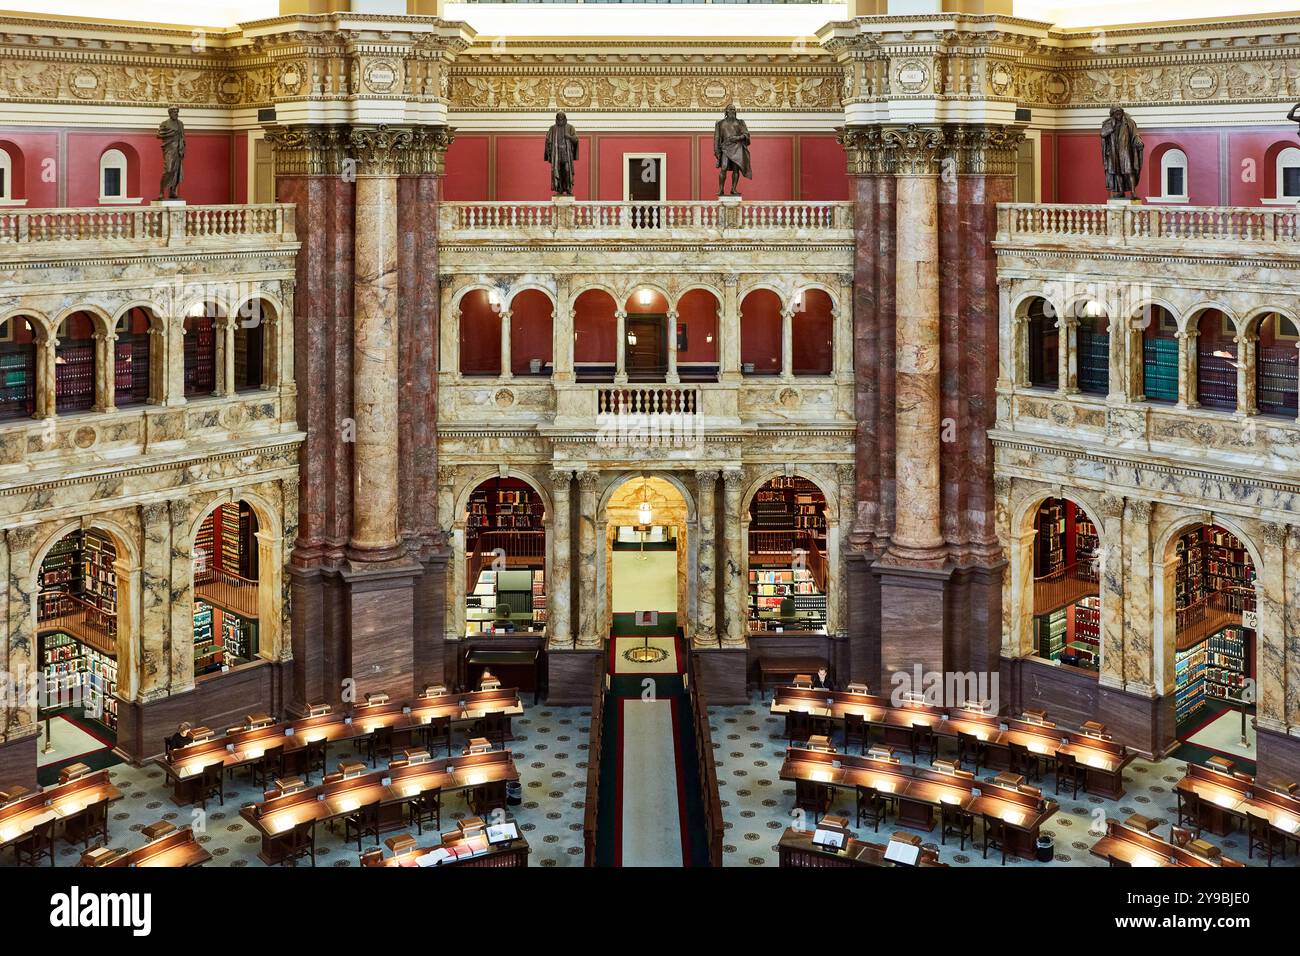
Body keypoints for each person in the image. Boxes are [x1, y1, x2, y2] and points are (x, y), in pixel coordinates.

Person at [714, 104, 752, 196]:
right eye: (730, 109)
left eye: (734, 110)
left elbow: (746, 135)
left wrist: (737, 138)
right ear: (726, 111)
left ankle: (733, 189)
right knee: (723, 168)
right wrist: (716, 150)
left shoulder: (740, 122)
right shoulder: (720, 123)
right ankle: (721, 189)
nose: (732, 111)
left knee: (736, 169)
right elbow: (717, 138)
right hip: (725, 147)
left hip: (737, 147)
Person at [544, 112, 579, 196]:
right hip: (556, 153)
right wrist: (549, 152)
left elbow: (576, 139)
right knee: (558, 171)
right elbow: (548, 140)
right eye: (559, 118)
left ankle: (568, 189)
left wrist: (569, 137)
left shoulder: (570, 127)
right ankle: (559, 189)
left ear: (565, 118)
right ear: (556, 119)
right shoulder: (553, 128)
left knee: (567, 170)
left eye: (562, 118)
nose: (560, 119)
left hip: (566, 153)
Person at [156, 106, 186, 201]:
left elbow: (182, 137)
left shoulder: (180, 124)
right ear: (170, 113)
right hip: (169, 148)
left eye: (177, 112)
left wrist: (182, 147)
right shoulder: (165, 123)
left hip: (178, 149)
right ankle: (161, 191)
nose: (176, 113)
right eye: (174, 112)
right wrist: (171, 133)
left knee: (176, 171)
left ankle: (172, 191)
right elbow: (158, 135)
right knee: (168, 170)